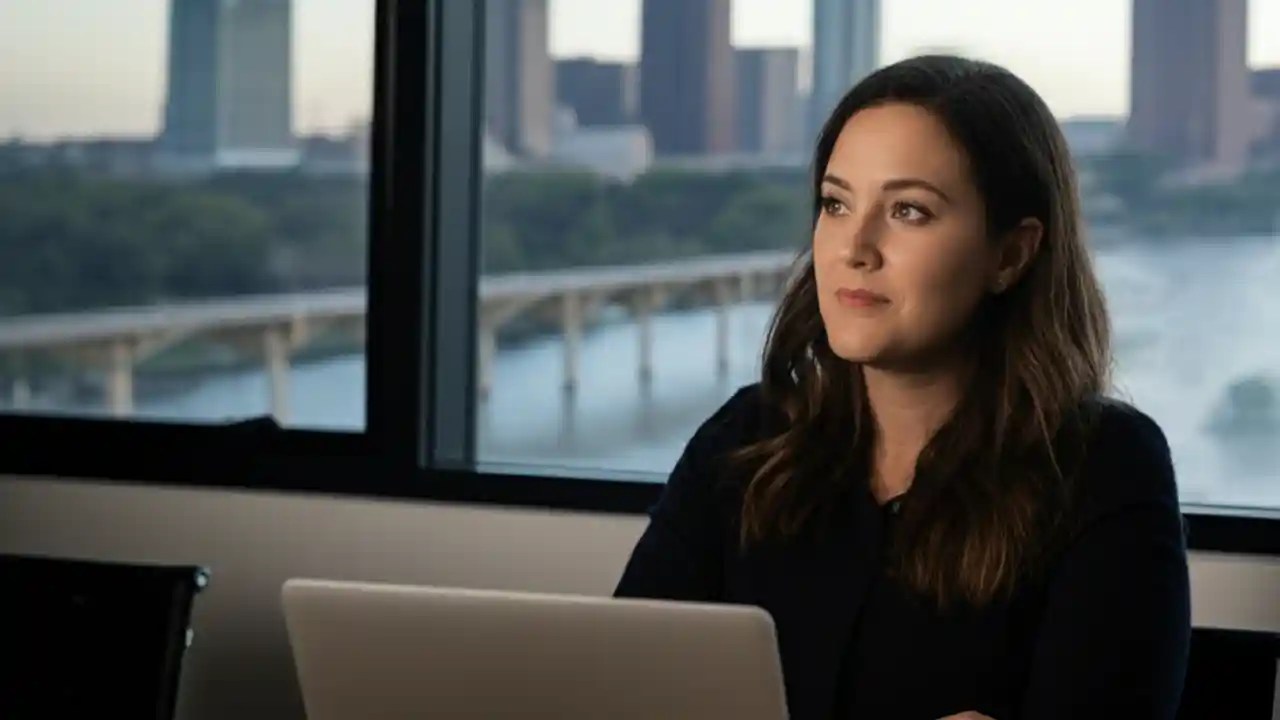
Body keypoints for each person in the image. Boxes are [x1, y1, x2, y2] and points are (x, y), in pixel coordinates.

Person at [614, 54, 1191, 720]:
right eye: (835, 203)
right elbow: (624, 681)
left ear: (1010, 255)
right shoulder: (747, 442)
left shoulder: (1105, 467)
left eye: (910, 211)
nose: (853, 246)